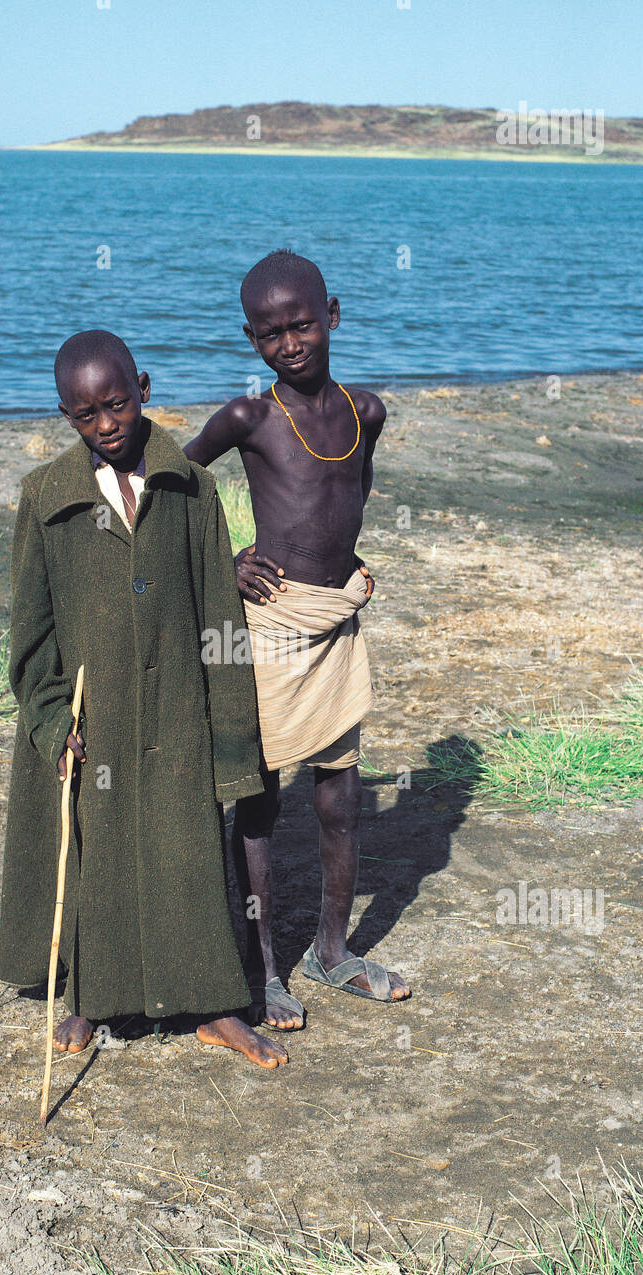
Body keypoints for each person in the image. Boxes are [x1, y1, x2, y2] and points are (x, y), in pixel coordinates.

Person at [0, 329, 288, 1068]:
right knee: (95, 855)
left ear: (145, 388)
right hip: (93, 718)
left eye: (118, 404)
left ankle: (216, 1006)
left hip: (177, 712)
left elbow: (219, 616)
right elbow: (30, 640)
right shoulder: (46, 498)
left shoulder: (189, 486)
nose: (105, 425)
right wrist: (50, 720)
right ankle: (92, 1002)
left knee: (187, 849)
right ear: (65, 415)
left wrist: (231, 741)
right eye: (84, 414)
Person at [184, 252, 411, 1029]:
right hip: (274, 623)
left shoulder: (366, 411)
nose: (290, 343)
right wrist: (226, 559)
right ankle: (261, 966)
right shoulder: (247, 419)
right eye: (271, 333)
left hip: (336, 618)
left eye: (303, 324)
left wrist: (341, 567)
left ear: (333, 315)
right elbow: (172, 486)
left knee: (342, 794)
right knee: (258, 798)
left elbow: (354, 489)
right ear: (251, 338)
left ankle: (330, 949)